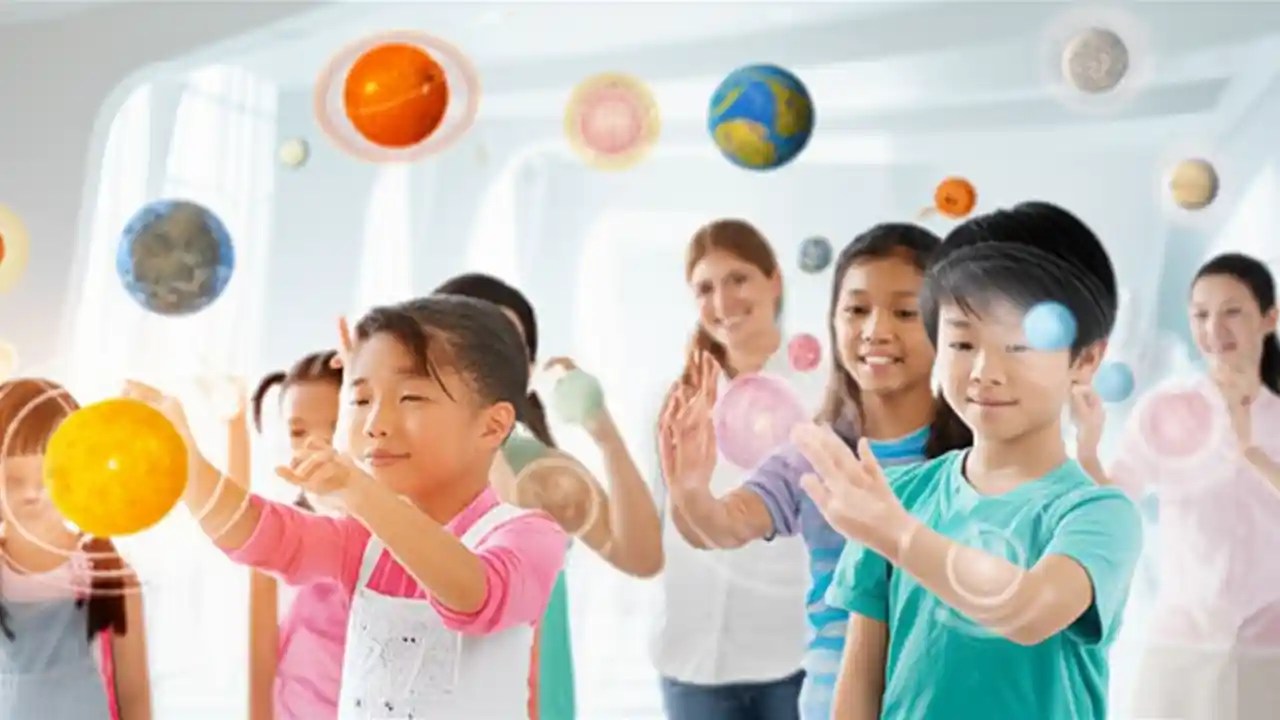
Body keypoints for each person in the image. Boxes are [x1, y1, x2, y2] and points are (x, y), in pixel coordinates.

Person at [126, 295, 568, 718]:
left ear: (492, 426)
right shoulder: (361, 542)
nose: (375, 424)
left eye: (410, 398)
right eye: (360, 400)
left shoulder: (530, 535)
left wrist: (360, 493)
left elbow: (473, 595)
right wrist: (185, 465)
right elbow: (262, 534)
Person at [804, 202, 1144, 719]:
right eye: (962, 341)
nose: (985, 371)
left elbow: (1030, 610)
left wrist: (896, 534)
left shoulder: (1098, 515)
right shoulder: (898, 498)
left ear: (1087, 359)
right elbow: (859, 688)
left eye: (1020, 346)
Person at [660, 223, 972, 719]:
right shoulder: (812, 453)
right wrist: (692, 487)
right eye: (856, 310)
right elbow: (722, 524)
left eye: (905, 312)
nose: (876, 330)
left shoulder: (977, 456)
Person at [434, 273, 663, 720]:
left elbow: (641, 556)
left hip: (531, 696)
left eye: (507, 348)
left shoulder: (536, 464)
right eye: (475, 339)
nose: (491, 361)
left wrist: (603, 430)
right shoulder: (401, 456)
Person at [1086, 252, 1280, 719]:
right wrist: (1088, 445)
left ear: (1269, 317)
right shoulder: (1168, 409)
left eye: (1232, 311)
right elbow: (1115, 504)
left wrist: (1250, 450)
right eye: (1201, 314)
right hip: (1183, 642)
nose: (1215, 329)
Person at [653, 218, 815, 720]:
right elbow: (671, 517)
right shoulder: (677, 399)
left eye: (738, 279)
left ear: (775, 281)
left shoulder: (821, 390)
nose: (723, 302)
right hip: (693, 659)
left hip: (794, 654)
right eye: (705, 287)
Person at [0, 378, 152, 719]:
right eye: (13, 480)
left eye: (47, 478)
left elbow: (136, 698)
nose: (31, 494)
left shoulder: (111, 576)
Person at [245, 350, 346, 720]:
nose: (315, 444)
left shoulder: (402, 527)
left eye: (334, 427)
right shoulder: (278, 533)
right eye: (298, 431)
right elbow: (261, 656)